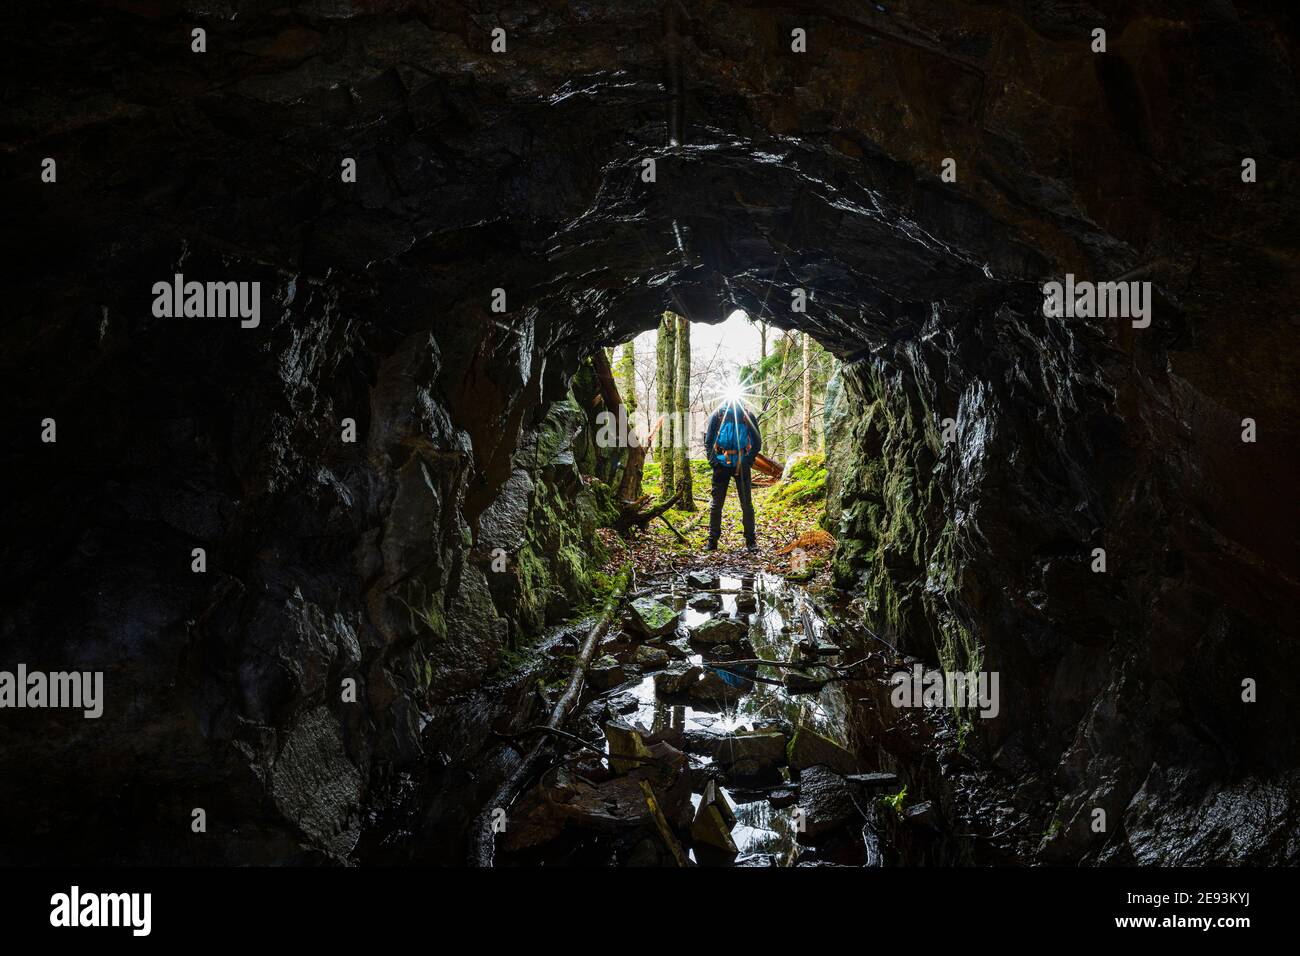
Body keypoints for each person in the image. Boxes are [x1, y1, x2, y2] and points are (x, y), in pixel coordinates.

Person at [703, 397, 762, 552]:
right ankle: (712, 541)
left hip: (742, 464)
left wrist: (748, 460)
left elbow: (757, 442)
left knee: (746, 505)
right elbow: (708, 441)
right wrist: (713, 461)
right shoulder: (718, 415)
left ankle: (751, 541)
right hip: (721, 464)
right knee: (716, 505)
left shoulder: (747, 415)